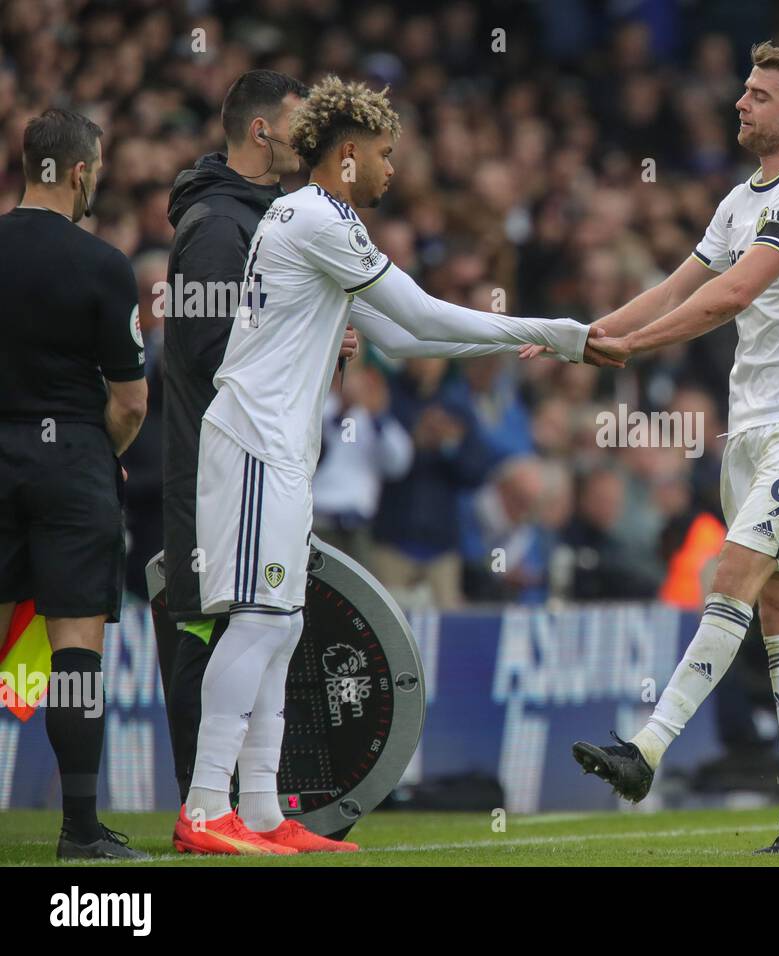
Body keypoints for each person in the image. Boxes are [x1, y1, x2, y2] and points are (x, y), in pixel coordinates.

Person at [173, 75, 617, 856]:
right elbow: (418, 314)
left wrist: (531, 340)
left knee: (280, 629)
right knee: (259, 624)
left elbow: (409, 340)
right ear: (347, 153)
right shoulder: (315, 217)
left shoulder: (320, 220)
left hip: (278, 448)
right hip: (252, 441)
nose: (390, 170)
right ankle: (206, 808)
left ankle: (265, 814)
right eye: (383, 153)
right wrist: (556, 332)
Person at [564, 41, 779, 853]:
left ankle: (648, 747)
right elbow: (679, 284)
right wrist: (587, 336)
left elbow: (730, 295)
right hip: (758, 419)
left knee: (732, 572)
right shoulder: (741, 200)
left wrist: (636, 350)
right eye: (745, 90)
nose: (741, 103)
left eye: (760, 94)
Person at [160, 69, 327, 806]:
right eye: (300, 121)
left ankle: (249, 808)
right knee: (209, 630)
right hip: (213, 471)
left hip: (255, 467)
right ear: (262, 130)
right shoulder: (220, 227)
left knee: (264, 631)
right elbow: (204, 348)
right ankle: (206, 804)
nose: (311, 137)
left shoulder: (268, 216)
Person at [0, 109, 148, 859]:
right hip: (73, 469)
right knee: (74, 657)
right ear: (82, 170)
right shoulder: (103, 265)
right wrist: (100, 449)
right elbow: (130, 402)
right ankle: (80, 832)